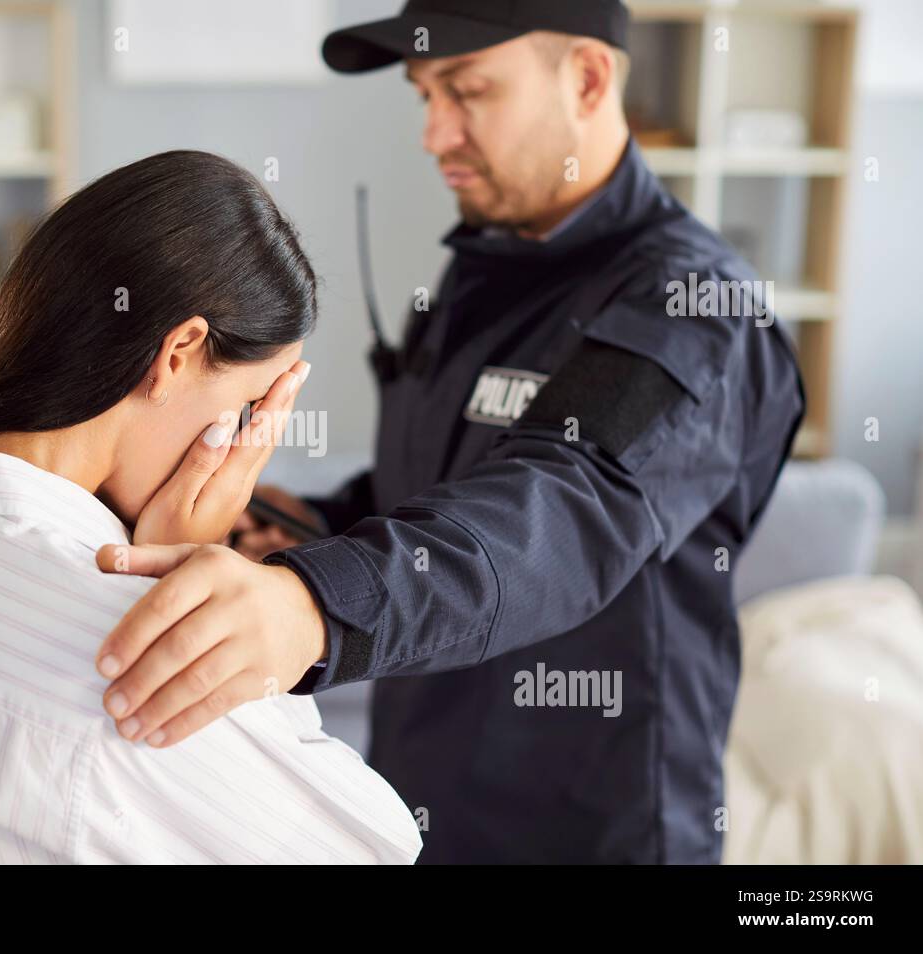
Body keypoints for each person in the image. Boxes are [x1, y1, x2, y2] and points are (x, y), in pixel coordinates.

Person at [92, 1, 805, 863]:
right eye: (425, 93)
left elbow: (565, 510)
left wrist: (315, 602)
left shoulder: (691, 308)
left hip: (591, 830)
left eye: (468, 91)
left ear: (586, 78)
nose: (435, 134)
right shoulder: (486, 263)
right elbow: (445, 489)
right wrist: (312, 526)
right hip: (421, 796)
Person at [0, 150, 422, 864]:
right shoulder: (122, 647)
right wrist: (187, 584)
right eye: (250, 407)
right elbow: (377, 845)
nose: (250, 448)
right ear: (179, 352)